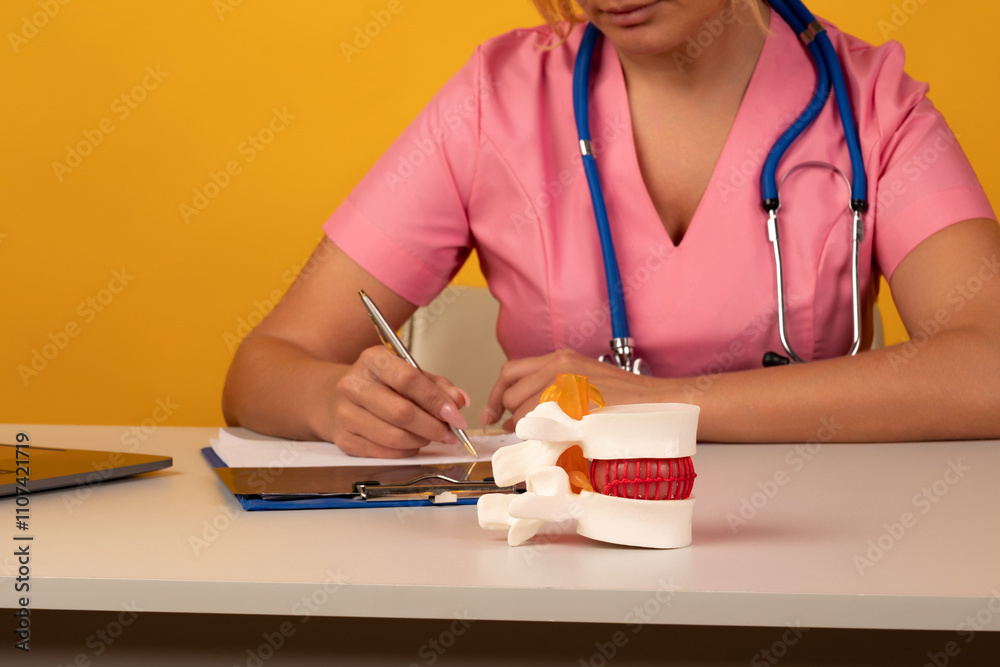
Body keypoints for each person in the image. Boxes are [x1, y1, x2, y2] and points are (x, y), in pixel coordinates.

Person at [222, 0, 1000, 458]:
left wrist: (661, 403)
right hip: (564, 568)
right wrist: (335, 400)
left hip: (819, 555)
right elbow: (263, 367)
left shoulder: (873, 106)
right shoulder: (498, 101)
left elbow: (988, 368)